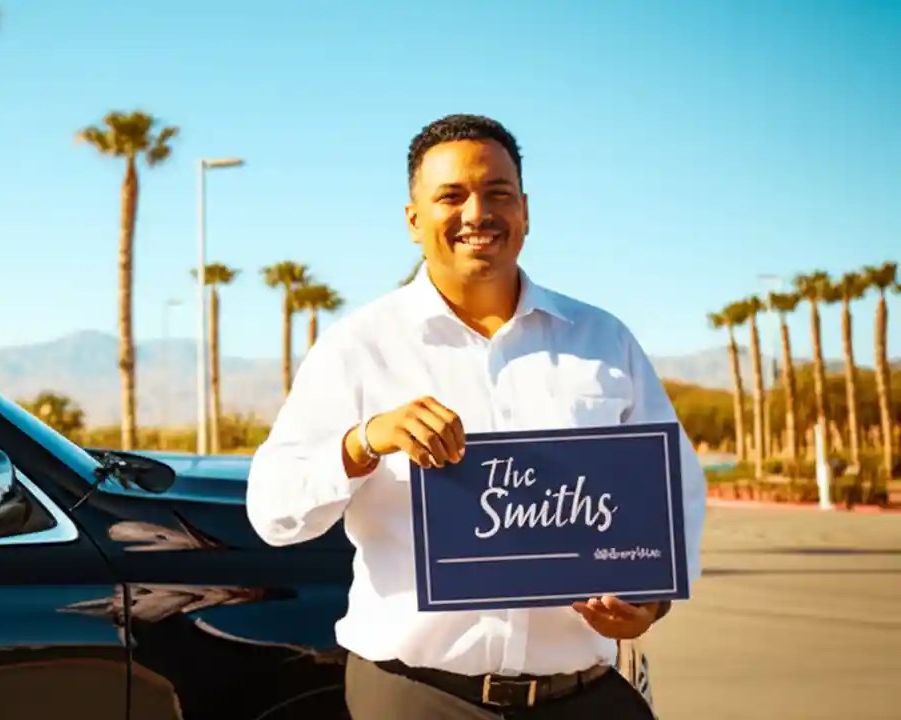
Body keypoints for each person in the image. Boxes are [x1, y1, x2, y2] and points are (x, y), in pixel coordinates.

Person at [245, 113, 706, 719]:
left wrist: (649, 602)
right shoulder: (358, 346)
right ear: (413, 220)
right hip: (418, 697)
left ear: (525, 211)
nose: (477, 214)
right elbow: (273, 513)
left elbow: (673, 492)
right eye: (451, 196)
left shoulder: (602, 340)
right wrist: (365, 441)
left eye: (497, 194)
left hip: (583, 695)